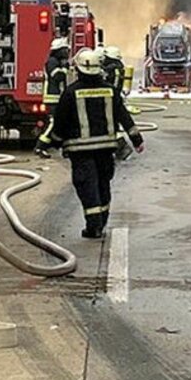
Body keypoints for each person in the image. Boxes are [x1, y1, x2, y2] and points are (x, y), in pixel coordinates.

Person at [42, 47, 143, 237]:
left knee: (87, 187)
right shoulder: (111, 91)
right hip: (106, 149)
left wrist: (53, 142)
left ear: (78, 70)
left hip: (80, 151)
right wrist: (137, 140)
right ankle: (101, 222)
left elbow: (61, 122)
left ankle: (94, 226)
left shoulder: (70, 93)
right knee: (103, 185)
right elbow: (124, 116)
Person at [37, 35, 72, 157]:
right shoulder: (52, 62)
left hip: (59, 98)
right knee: (53, 123)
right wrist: (66, 69)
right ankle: (40, 146)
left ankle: (65, 148)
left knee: (64, 124)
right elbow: (58, 77)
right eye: (65, 50)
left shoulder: (57, 62)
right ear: (59, 50)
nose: (67, 52)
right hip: (52, 98)